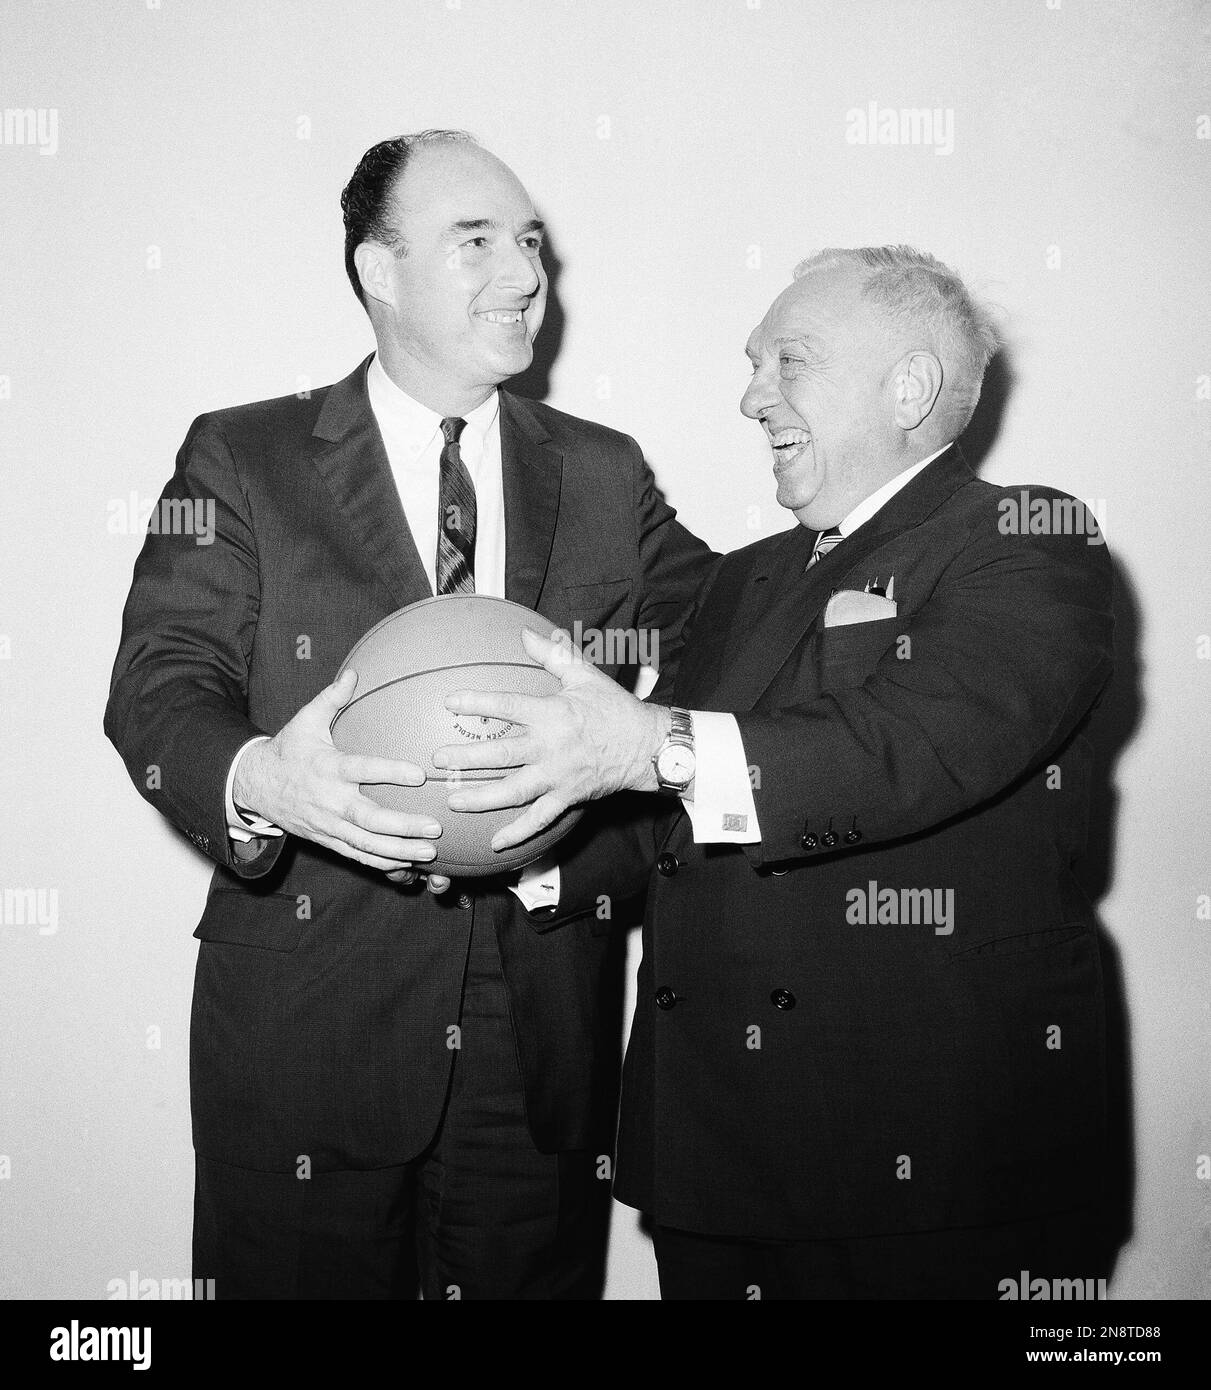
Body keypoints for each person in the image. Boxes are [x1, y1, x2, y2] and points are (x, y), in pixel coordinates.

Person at [435, 245, 1115, 1299]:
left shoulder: (1023, 538)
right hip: (715, 1160)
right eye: (754, 364)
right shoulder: (745, 577)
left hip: (932, 1167)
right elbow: (681, 814)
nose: (751, 397)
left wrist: (639, 742)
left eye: (788, 361)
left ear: (909, 387)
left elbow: (906, 747)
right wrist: (505, 839)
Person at [104, 129, 714, 1300]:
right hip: (303, 1026)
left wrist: (600, 814)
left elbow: (724, 632)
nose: (524, 274)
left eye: (530, 242)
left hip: (540, 1038)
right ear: (378, 271)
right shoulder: (243, 455)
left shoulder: (603, 470)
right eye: (474, 240)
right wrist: (260, 781)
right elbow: (158, 683)